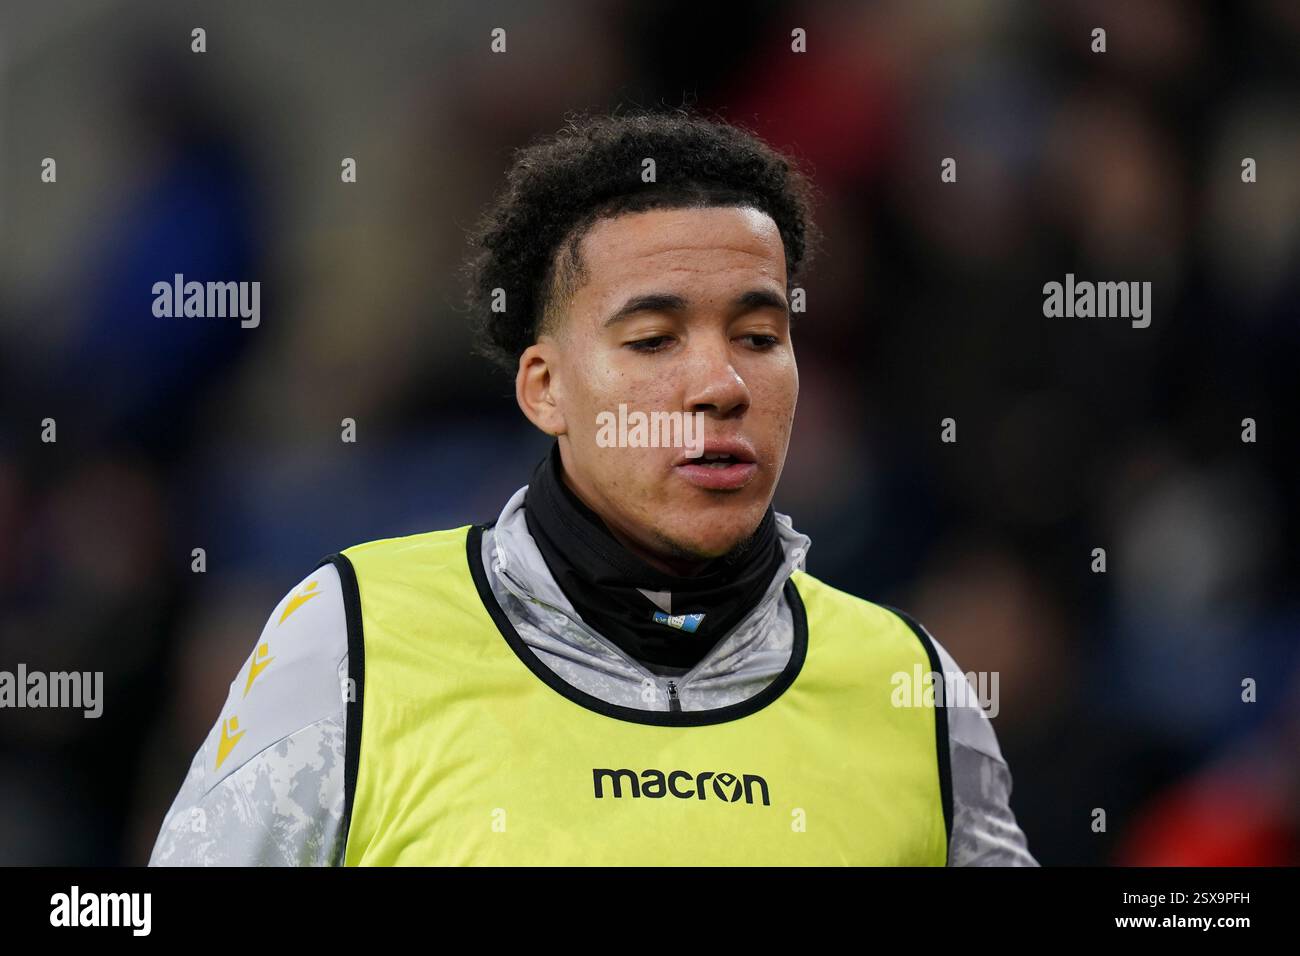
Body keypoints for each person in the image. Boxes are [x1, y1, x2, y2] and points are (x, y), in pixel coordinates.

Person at [149, 110, 1036, 866]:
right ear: (545, 388)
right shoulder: (355, 636)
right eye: (654, 340)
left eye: (760, 336)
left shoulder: (910, 685)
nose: (722, 385)